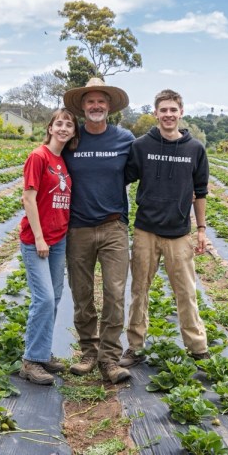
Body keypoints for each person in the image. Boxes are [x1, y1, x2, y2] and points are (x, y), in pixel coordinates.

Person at [120, 88, 210, 368]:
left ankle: (197, 347)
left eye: (173, 110)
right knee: (140, 290)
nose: (168, 115)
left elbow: (201, 191)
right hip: (145, 230)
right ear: (155, 113)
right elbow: (121, 178)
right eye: (163, 110)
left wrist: (202, 229)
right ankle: (135, 346)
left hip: (179, 233)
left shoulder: (195, 149)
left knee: (186, 291)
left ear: (181, 113)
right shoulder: (141, 146)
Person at [62, 77, 135, 384]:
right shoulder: (71, 140)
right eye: (90, 102)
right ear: (82, 107)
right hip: (77, 229)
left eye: (101, 102)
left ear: (109, 107)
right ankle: (88, 352)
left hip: (113, 227)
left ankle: (109, 358)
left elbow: (142, 171)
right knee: (81, 294)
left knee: (115, 294)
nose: (95, 106)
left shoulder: (125, 139)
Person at [19, 108, 80, 385]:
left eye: (69, 124)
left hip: (58, 239)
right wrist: (40, 237)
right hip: (37, 241)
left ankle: (42, 354)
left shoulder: (61, 161)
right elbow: (28, 199)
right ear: (50, 127)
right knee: (43, 299)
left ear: (73, 131)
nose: (64, 128)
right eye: (59, 123)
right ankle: (30, 361)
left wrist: (55, 238)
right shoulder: (39, 156)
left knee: (54, 299)